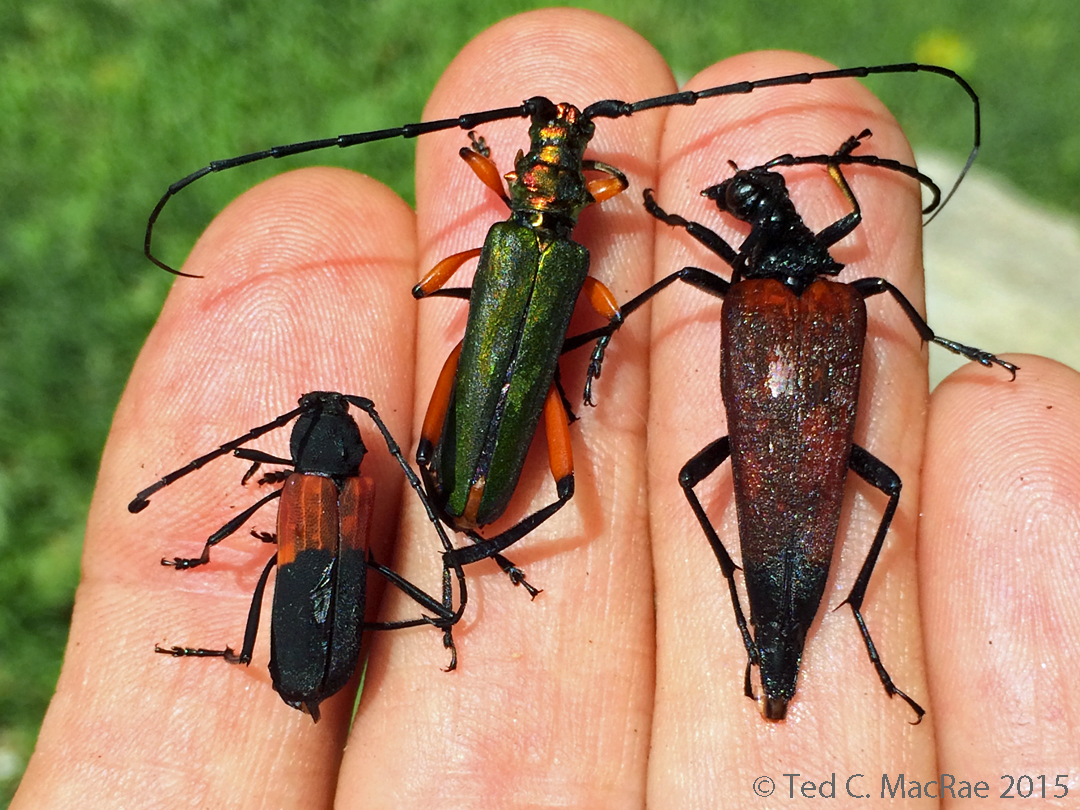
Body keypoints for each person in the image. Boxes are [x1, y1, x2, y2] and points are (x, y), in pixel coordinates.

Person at [15, 9, 1079, 809]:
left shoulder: (551, 248)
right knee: (533, 456)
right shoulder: (568, 249)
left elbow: (457, 289)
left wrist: (599, 313)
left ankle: (494, 551)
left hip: (530, 369)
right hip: (499, 394)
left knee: (552, 457)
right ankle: (482, 546)